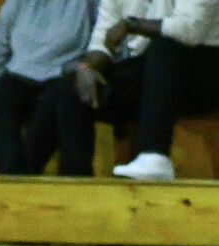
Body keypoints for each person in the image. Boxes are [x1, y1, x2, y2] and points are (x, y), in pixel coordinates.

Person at [55, 0, 219, 180]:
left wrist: (131, 25)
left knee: (163, 48)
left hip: (204, 69)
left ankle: (154, 155)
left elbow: (189, 29)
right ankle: (76, 180)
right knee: (72, 85)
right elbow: (102, 41)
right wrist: (87, 67)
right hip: (153, 75)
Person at [0, 0, 98, 173]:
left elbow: (101, 37)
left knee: (65, 98)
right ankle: (9, 177)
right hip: (19, 75)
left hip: (63, 74)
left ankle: (30, 174)